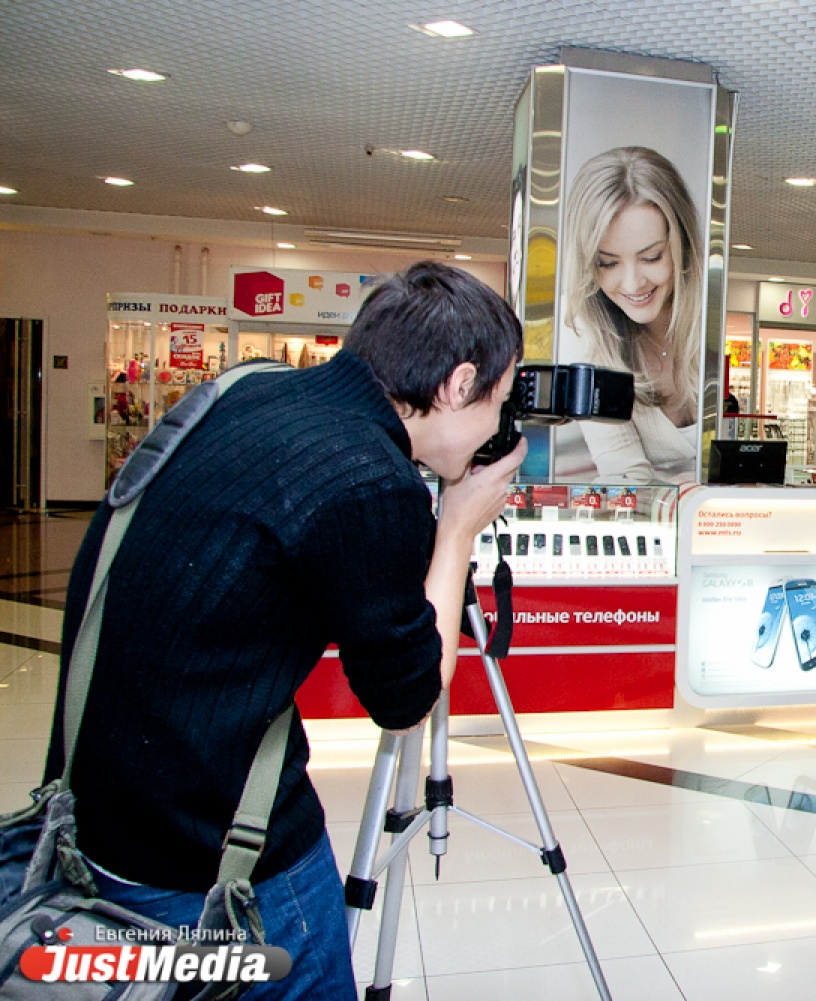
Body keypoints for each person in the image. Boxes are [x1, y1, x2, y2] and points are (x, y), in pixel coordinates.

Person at [32, 262, 527, 997]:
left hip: (90, 821)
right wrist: (454, 531)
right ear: (458, 385)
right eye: (500, 397)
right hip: (214, 867)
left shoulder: (244, 390)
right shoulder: (368, 478)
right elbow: (407, 696)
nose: (498, 424)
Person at [561, 145, 704, 483]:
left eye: (651, 257)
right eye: (607, 263)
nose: (632, 282)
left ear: (682, 246)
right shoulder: (584, 339)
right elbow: (625, 478)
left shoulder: (710, 325)